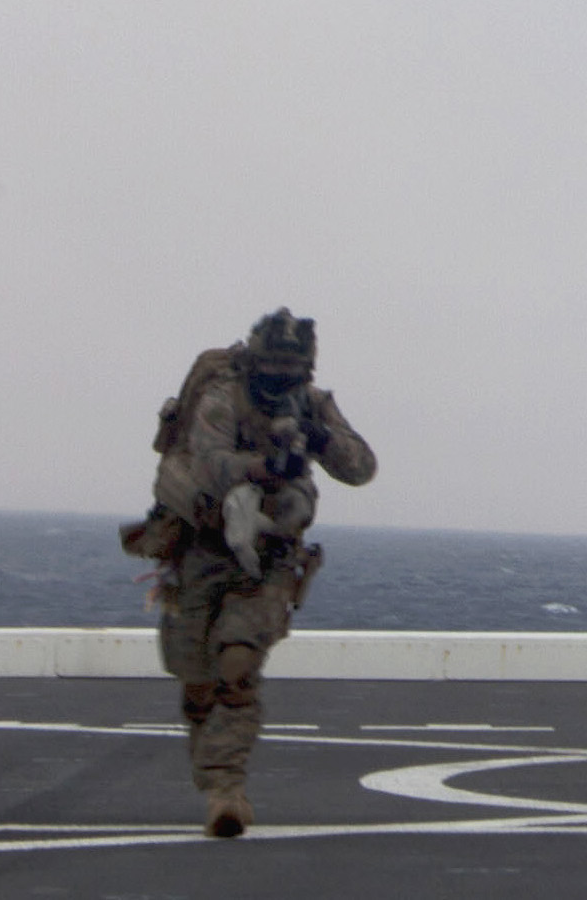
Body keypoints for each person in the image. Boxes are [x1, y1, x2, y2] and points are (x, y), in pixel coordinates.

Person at [124, 309, 379, 838]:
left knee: (237, 667)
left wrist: (319, 438)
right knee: (197, 680)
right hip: (202, 547)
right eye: (272, 367)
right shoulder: (223, 397)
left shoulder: (311, 405)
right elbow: (212, 461)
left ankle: (226, 790)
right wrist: (266, 468)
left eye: (292, 369)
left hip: (268, 558)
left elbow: (362, 467)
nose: (280, 380)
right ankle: (212, 766)